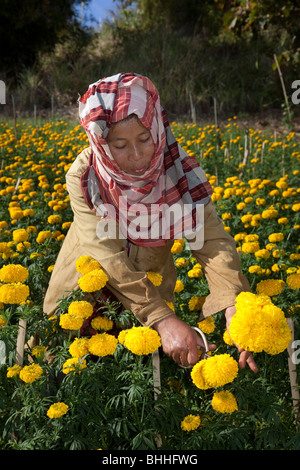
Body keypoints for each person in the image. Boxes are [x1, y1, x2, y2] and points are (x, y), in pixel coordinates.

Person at [43, 72, 257, 372]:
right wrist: (162, 319)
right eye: (119, 145)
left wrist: (233, 302)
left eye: (145, 138)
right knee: (71, 374)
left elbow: (211, 240)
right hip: (87, 292)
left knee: (140, 381)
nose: (137, 154)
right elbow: (106, 256)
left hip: (149, 286)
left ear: (157, 126)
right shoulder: (85, 177)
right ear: (101, 142)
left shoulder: (177, 169)